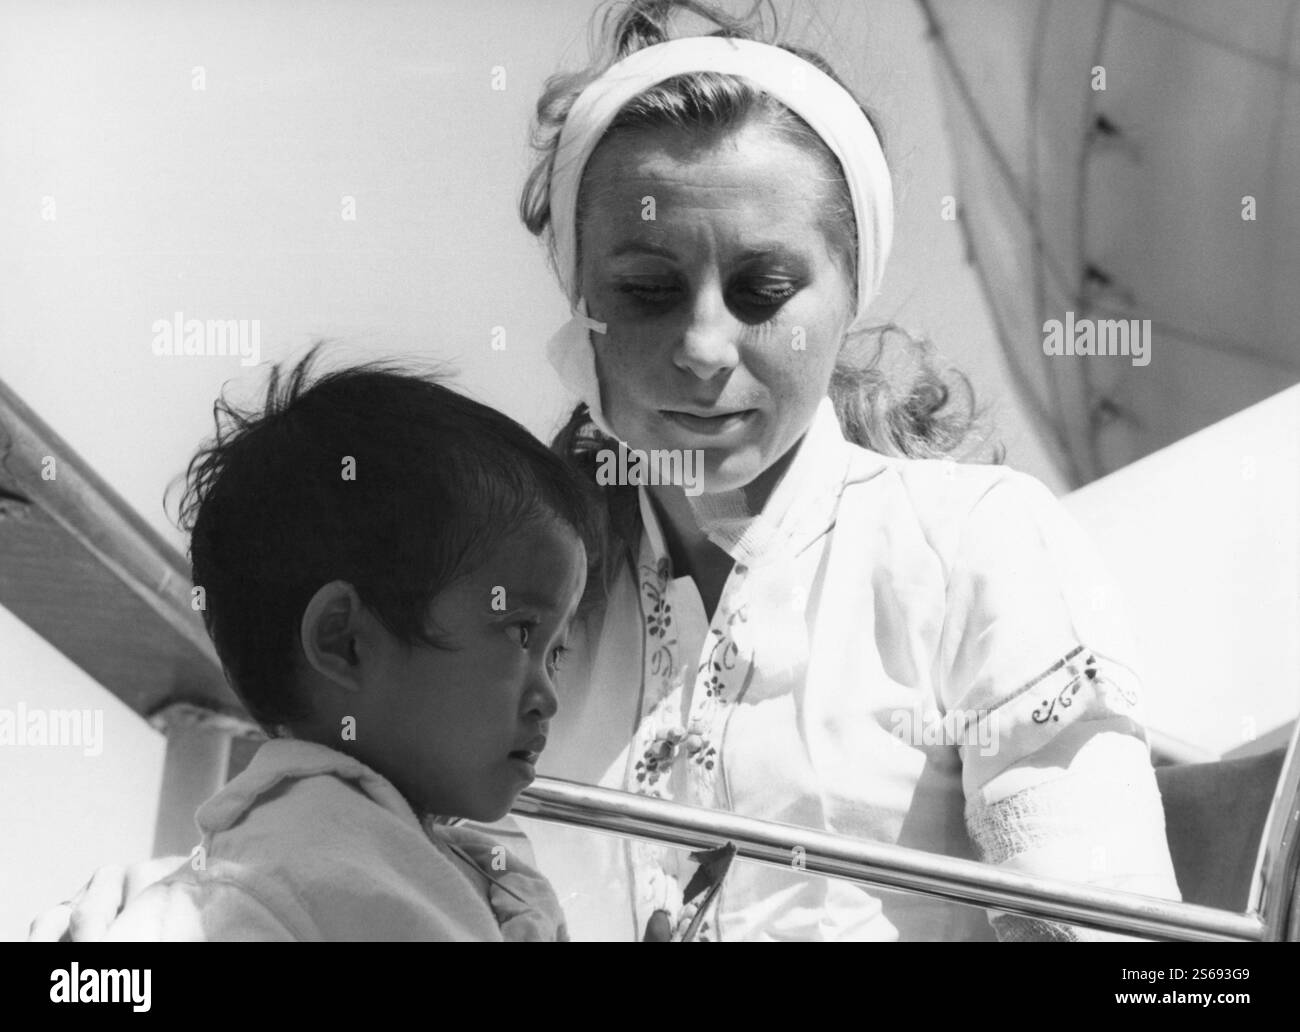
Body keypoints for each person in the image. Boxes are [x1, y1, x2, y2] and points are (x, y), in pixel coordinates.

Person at [33, 0, 1181, 942]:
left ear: (851, 294)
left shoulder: (980, 542)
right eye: (643, 289)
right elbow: (316, 866)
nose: (701, 346)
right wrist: (154, 921)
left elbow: (1130, 954)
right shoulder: (472, 593)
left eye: (764, 290)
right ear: (578, 303)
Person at [90, 351, 593, 941]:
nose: (548, 697)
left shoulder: (453, 873)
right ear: (345, 641)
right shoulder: (266, 879)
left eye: (555, 653)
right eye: (520, 633)